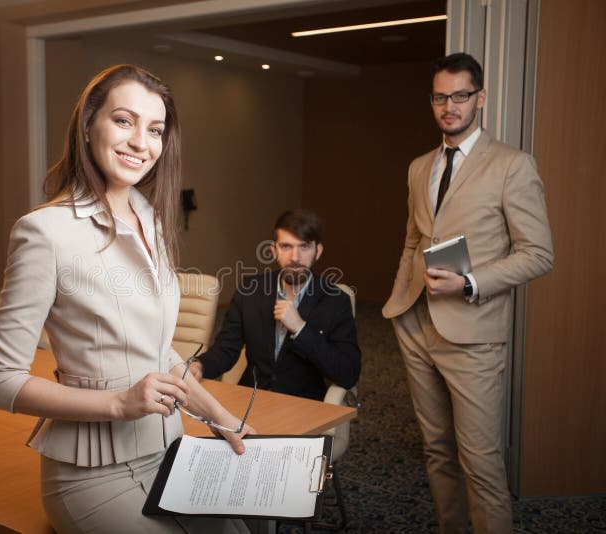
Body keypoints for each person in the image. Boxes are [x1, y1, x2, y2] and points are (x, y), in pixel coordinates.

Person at [0, 64, 252, 534]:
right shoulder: (44, 232)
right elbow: (0, 382)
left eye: (155, 130)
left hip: (167, 450)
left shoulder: (151, 218)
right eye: (124, 121)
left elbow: (157, 353)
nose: (140, 143)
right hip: (90, 476)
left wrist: (219, 417)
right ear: (88, 125)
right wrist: (120, 404)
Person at [383, 53, 554, 533]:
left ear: (480, 98)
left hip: (474, 334)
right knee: (437, 450)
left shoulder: (512, 165)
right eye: (440, 97)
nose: (449, 106)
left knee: (480, 461)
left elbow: (539, 253)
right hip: (417, 324)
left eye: (460, 96)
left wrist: (471, 282)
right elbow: (414, 240)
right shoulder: (420, 166)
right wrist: (400, 302)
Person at [189, 209, 361, 401]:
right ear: (274, 250)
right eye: (286, 246)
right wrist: (200, 365)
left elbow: (348, 372)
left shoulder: (336, 300)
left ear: (318, 251)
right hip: (250, 399)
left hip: (302, 405)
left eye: (304, 247)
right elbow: (226, 349)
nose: (295, 257)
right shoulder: (250, 290)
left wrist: (301, 329)